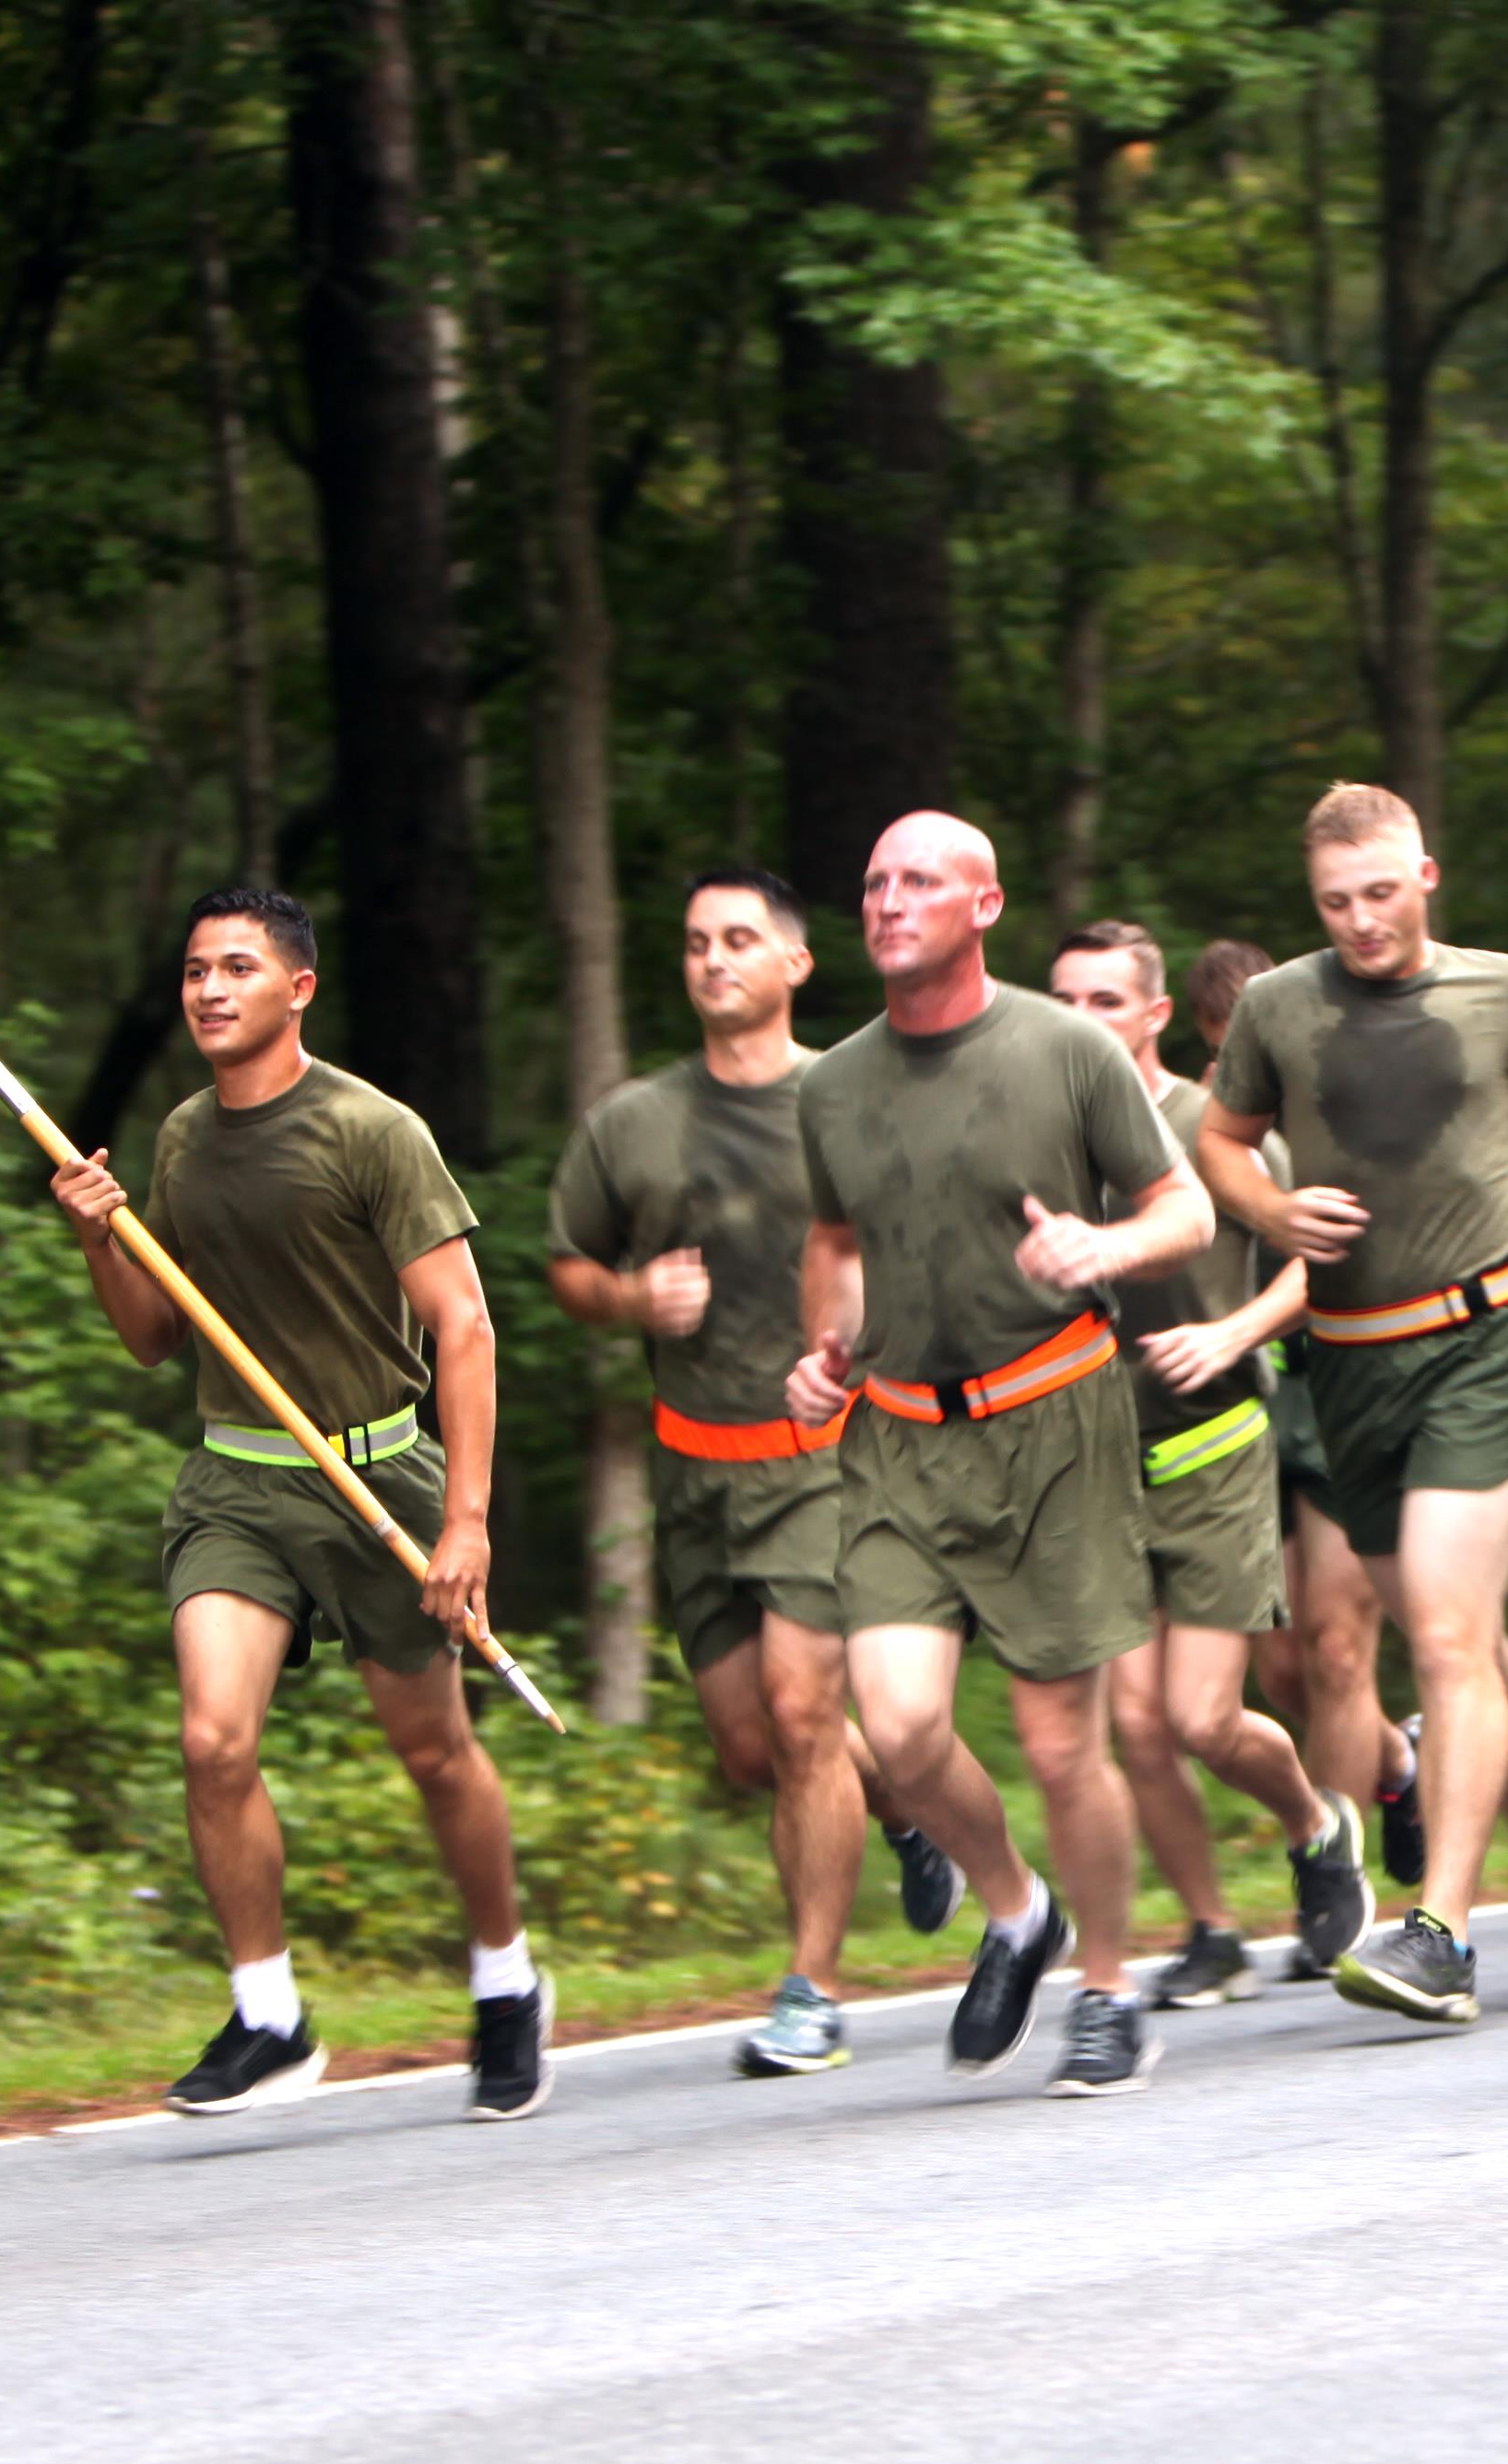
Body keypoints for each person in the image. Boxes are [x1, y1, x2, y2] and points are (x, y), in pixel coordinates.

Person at [49, 886, 545, 2120]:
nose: (210, 989)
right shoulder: (180, 1139)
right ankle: (270, 2014)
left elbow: (465, 1325)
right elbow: (156, 1340)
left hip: (380, 1473)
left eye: (237, 968)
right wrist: (101, 1242)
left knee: (434, 1751)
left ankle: (503, 1978)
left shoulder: (372, 1130)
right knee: (215, 1738)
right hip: (237, 1477)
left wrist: (467, 1520)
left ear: (297, 989)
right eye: (194, 971)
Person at [784, 814, 1210, 2096]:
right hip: (902, 1435)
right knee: (903, 1733)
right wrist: (825, 1353)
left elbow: (1181, 1208)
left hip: (1053, 1418)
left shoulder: (1068, 1047)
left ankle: (1109, 1989)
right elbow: (839, 1242)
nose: (888, 901)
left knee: (1062, 1742)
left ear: (984, 905)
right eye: (872, 883)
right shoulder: (831, 1085)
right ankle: (1019, 1910)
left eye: (919, 881)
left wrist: (1103, 1252)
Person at [1198, 783, 1508, 2024]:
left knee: (1441, 1641)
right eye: (1336, 902)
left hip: (1481, 1342)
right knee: (1466, 1634)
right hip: (1347, 1362)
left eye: (1381, 894)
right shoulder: (1280, 1005)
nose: (1361, 924)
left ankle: (1439, 1927)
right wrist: (1273, 1212)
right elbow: (1224, 1143)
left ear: (1426, 876)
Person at [546, 865, 955, 2081]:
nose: (712, 958)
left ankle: (813, 1990)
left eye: (737, 939)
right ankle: (906, 1808)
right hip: (695, 1471)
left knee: (799, 1712)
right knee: (753, 1747)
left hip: (826, 1462)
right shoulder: (632, 1123)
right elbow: (569, 1263)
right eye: (693, 942)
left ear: (792, 963)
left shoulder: (855, 1100)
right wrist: (631, 1295)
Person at [1044, 924, 1373, 2005]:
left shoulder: (1211, 1129)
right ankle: (1211, 1928)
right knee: (1134, 1723)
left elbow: (1310, 1271)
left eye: (1103, 1001)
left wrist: (1230, 1337)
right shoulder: (1046, 1144)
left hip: (1218, 1444)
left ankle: (1317, 1824)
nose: (1080, 1022)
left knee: (1201, 1717)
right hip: (1100, 1461)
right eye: (1064, 1001)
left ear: (1149, 1015)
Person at [1192, 934, 1422, 1952]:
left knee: (1337, 1644)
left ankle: (1338, 1878)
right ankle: (1398, 1765)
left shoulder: (1346, 1095)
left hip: (1340, 1380)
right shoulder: (1202, 1124)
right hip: (1243, 1408)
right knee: (1282, 1672)